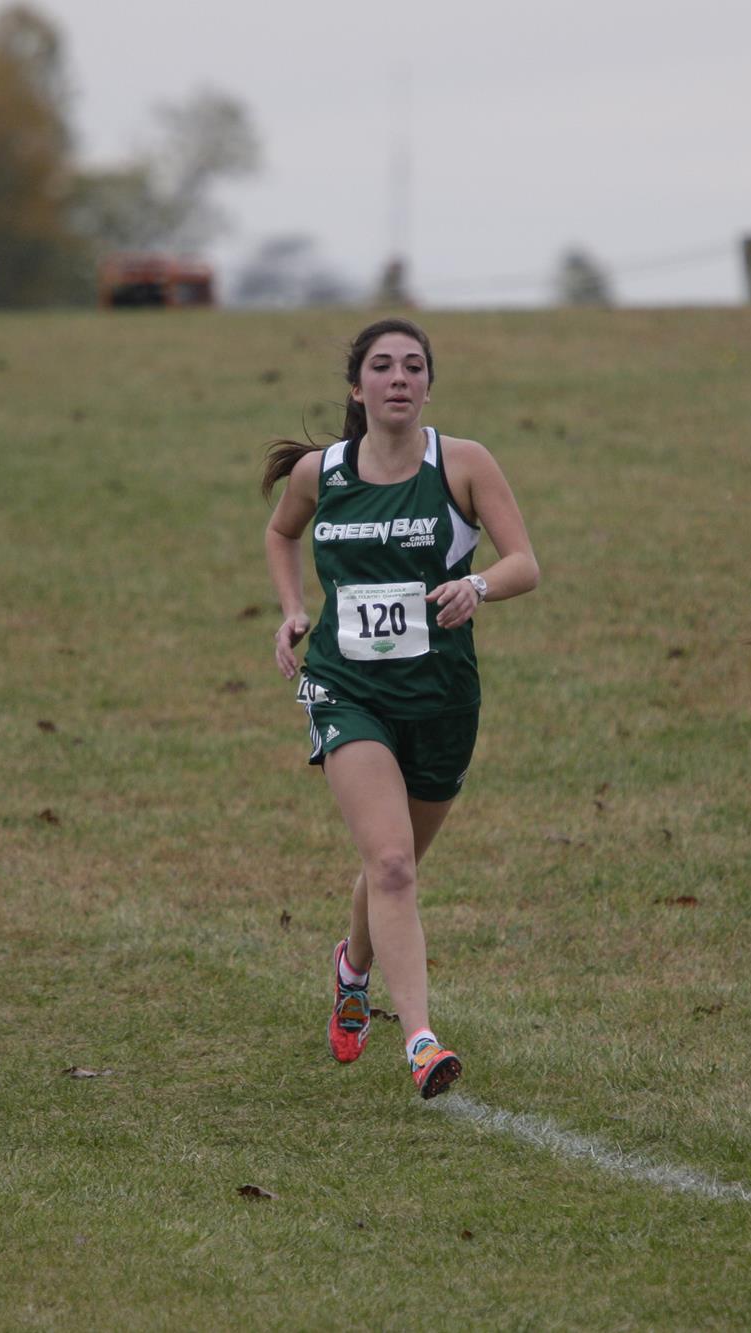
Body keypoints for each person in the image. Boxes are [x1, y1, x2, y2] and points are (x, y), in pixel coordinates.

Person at [262, 317, 539, 1098]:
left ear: (426, 386)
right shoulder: (323, 473)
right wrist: (290, 610)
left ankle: (352, 970)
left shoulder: (464, 464)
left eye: (413, 367)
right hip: (348, 689)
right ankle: (420, 1038)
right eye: (382, 366)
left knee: (397, 863)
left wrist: (477, 583)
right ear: (358, 387)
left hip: (443, 696)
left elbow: (525, 562)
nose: (398, 378)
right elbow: (282, 534)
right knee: (388, 862)